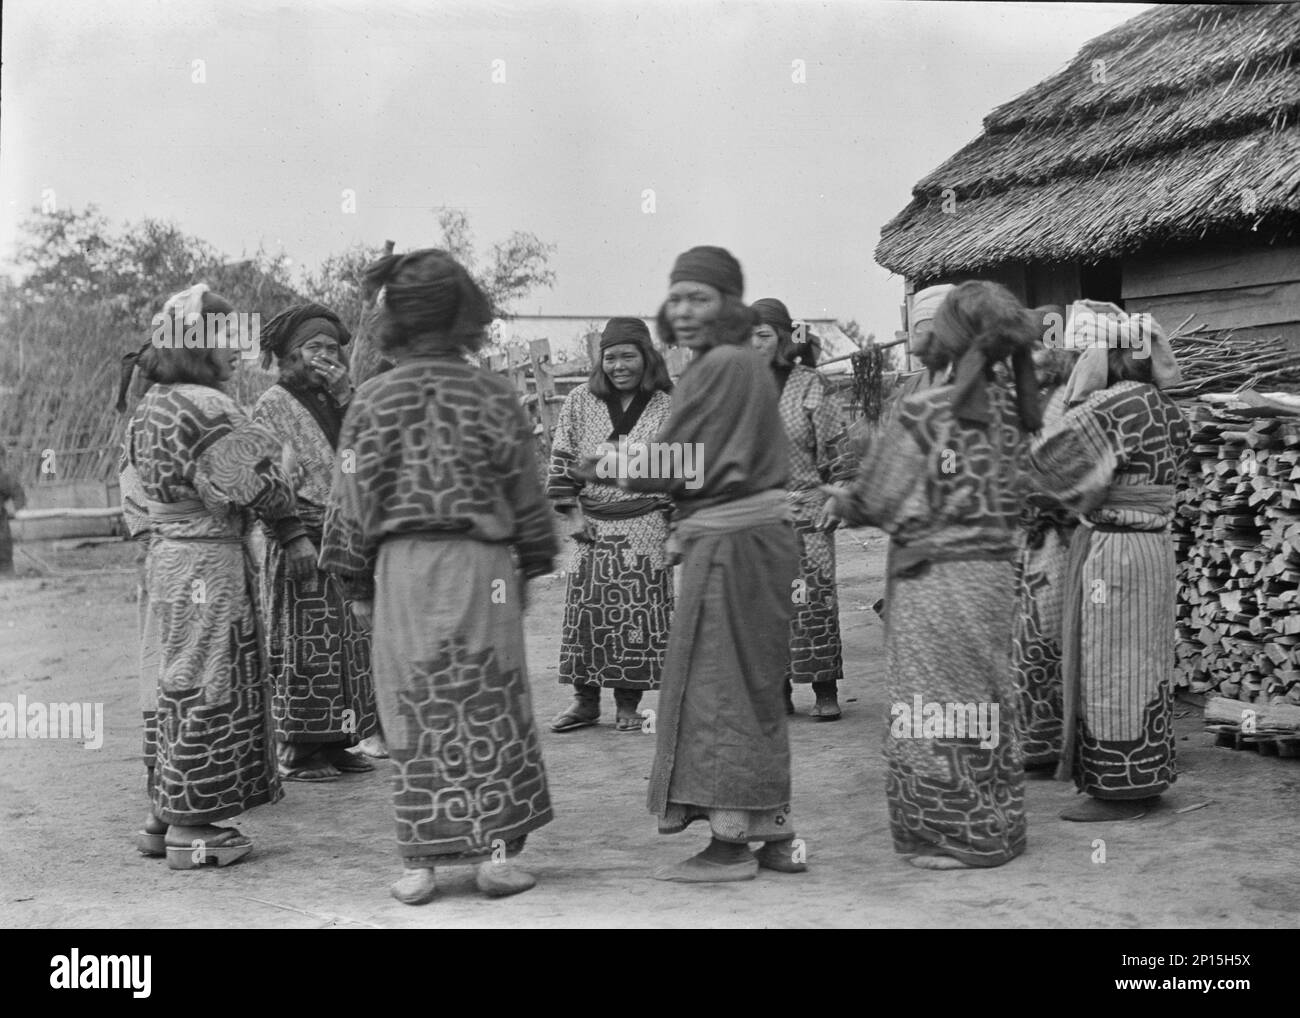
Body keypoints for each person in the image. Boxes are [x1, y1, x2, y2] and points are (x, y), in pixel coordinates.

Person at [320, 248, 556, 905]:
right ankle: (497, 857)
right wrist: (533, 561)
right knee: (490, 698)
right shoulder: (493, 392)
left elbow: (350, 497)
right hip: (483, 567)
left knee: (412, 703)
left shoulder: (371, 398)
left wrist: (356, 580)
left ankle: (420, 864)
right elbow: (524, 489)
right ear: (466, 314)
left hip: (402, 569)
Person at [583, 246, 804, 883]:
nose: (683, 309)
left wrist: (608, 464)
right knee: (755, 684)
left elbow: (682, 465)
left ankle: (732, 842)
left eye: (699, 297)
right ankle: (776, 833)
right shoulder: (744, 366)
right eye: (676, 296)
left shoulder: (717, 369)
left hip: (730, 545)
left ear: (728, 306)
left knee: (719, 687)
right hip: (758, 538)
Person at [825, 280, 1041, 870]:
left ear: (946, 333)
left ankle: (963, 836)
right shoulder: (1015, 410)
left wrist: (842, 499)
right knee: (983, 694)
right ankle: (997, 823)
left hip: (937, 581)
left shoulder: (926, 409)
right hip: (993, 578)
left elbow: (879, 496)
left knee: (934, 702)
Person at [121, 284, 299, 870]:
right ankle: (193, 827)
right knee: (210, 681)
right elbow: (248, 487)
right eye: (225, 339)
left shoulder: (148, 404)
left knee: (176, 678)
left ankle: (159, 816)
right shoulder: (211, 407)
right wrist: (284, 479)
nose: (236, 352)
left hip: (169, 559)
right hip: (209, 561)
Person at [1028, 305, 1187, 821]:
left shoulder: (1111, 408)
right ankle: (1148, 777)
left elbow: (1048, 464)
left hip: (1114, 554)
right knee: (1146, 664)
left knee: (1109, 664)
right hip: (1154, 551)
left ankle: (1117, 791)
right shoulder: (1165, 406)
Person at [254, 303, 381, 780]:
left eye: (332, 348)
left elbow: (367, 449)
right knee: (306, 644)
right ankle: (298, 749)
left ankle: (337, 741)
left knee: (346, 645)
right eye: (314, 348)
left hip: (345, 537)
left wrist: (346, 395)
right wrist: (288, 537)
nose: (325, 356)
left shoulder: (341, 399)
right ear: (290, 356)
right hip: (302, 538)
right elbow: (264, 475)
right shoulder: (273, 403)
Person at [546, 317, 674, 733]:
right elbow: (563, 458)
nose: (620, 366)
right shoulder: (580, 401)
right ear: (600, 361)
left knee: (636, 616)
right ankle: (585, 702)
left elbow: (683, 469)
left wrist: (678, 527)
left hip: (646, 523)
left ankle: (627, 703)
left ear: (646, 357)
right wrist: (573, 515)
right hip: (592, 525)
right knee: (586, 612)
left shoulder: (668, 403)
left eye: (629, 356)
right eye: (611, 357)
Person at [750, 297, 850, 720]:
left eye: (762, 335)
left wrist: (837, 494)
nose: (754, 343)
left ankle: (824, 687)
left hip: (807, 512)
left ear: (783, 338)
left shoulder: (810, 384)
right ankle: (778, 689)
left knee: (811, 601)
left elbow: (837, 451)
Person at [1011, 339, 1079, 772]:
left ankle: (1053, 742)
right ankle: (1031, 740)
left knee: (1048, 634)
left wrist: (1044, 499)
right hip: (1028, 536)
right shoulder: (1032, 401)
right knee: (1024, 636)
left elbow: (1076, 468)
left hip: (1062, 537)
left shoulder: (1073, 402)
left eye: (1036, 352)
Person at [0, 450, 26, 576]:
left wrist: (14, 508)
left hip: (1, 526)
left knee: (4, 557)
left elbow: (19, 494)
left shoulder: (2, 477)